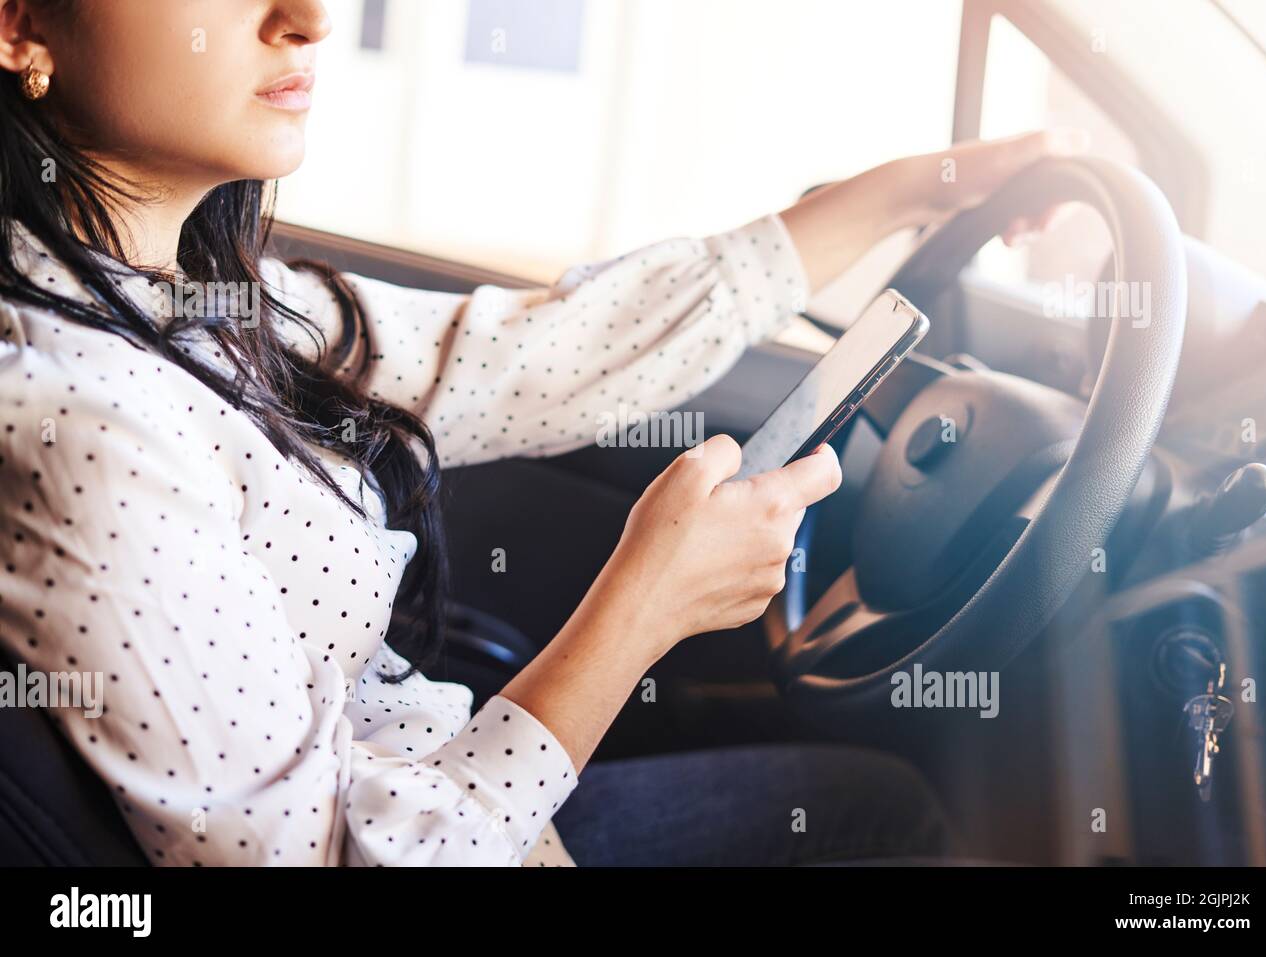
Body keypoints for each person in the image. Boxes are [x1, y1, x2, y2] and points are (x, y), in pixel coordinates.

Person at [0, 0, 1081, 866]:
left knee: (872, 806)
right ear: (20, 27)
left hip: (459, 803)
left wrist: (899, 193)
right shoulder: (80, 426)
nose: (309, 18)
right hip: (440, 834)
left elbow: (523, 354)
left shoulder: (195, 305)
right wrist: (644, 607)